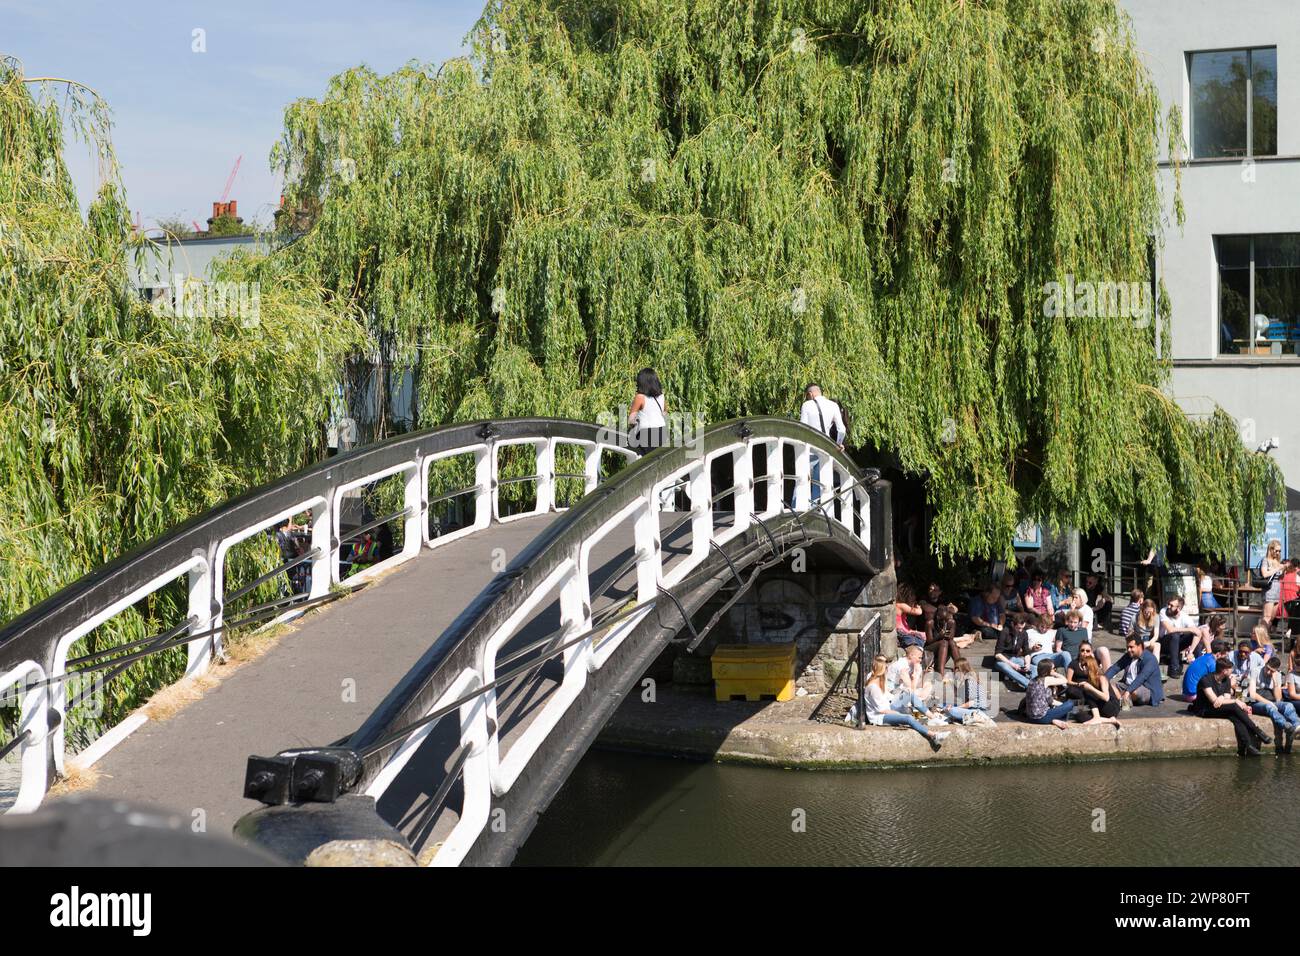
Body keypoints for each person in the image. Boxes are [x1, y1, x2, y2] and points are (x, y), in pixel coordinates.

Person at [855, 655, 951, 751]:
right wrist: (898, 714)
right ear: (882, 670)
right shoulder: (873, 687)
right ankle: (934, 736)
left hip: (888, 706)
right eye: (886, 667)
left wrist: (902, 696)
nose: (888, 669)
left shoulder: (880, 680)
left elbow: (887, 696)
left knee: (909, 695)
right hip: (879, 716)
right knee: (908, 718)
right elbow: (881, 710)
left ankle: (932, 717)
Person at [1192, 657, 1271, 757]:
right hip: (1205, 709)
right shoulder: (1206, 680)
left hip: (1218, 708)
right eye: (1230, 670)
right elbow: (1214, 701)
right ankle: (1257, 731)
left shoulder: (1226, 680)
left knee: (1235, 717)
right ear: (1224, 671)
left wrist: (1223, 699)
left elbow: (1226, 699)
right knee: (1234, 706)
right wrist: (1235, 700)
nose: (1232, 672)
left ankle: (1248, 746)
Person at [798, 383, 845, 503]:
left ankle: (797, 510)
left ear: (810, 394)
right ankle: (816, 511)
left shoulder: (806, 405)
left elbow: (803, 428)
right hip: (826, 450)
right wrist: (838, 444)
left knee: (801, 482)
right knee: (820, 485)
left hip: (810, 450)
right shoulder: (833, 405)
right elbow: (841, 430)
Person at [1247, 656, 1298, 753]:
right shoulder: (1255, 671)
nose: (1268, 672)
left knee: (1288, 705)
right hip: (1256, 703)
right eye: (1267, 669)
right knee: (1269, 707)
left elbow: (1278, 699)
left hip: (1272, 700)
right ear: (1266, 664)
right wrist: (1269, 702)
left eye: (1272, 671)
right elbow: (1252, 694)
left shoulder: (1277, 675)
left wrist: (1275, 683)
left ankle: (1297, 726)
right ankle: (1286, 726)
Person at [1065, 641, 1122, 725]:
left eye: (1085, 666)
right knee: (1079, 715)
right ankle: (1107, 720)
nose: (1084, 668)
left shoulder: (1102, 677)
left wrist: (1090, 688)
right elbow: (1068, 681)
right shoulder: (1074, 664)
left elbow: (1106, 698)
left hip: (1111, 708)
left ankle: (1096, 717)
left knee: (1088, 691)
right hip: (1101, 708)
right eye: (1082, 650)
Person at [1106, 635, 1165, 709]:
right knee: (1108, 686)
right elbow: (1115, 668)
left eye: (1131, 647)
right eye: (1127, 647)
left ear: (1139, 646)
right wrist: (1103, 680)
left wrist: (1128, 691)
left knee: (1134, 691)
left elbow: (1141, 678)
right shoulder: (1128, 656)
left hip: (1147, 689)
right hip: (1126, 686)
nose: (1128, 650)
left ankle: (1120, 699)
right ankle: (1122, 699)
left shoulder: (1150, 659)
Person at [627, 367, 666, 455]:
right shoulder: (661, 396)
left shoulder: (640, 397)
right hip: (661, 431)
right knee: (657, 459)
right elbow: (664, 412)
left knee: (644, 462)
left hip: (647, 433)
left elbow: (631, 420)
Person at [1158, 595, 1199, 680]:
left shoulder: (1185, 617)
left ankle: (1197, 665)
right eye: (1168, 604)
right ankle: (1174, 668)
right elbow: (1170, 629)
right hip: (1163, 643)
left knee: (1193, 635)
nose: (1168, 606)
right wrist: (1188, 629)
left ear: (1179, 608)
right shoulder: (1163, 611)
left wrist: (1191, 651)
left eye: (1172, 605)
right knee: (1175, 634)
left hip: (1176, 644)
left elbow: (1198, 633)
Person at [1024, 659, 1074, 728]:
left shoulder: (1033, 680)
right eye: (1053, 668)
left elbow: (1050, 701)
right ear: (1048, 670)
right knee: (1070, 704)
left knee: (1063, 707)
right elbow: (1064, 680)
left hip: (1030, 717)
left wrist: (1061, 705)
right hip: (1041, 717)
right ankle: (1053, 719)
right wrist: (1054, 673)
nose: (1055, 670)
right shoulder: (1046, 679)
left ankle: (1053, 720)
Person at [944, 658, 994, 725]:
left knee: (951, 710)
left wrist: (956, 708)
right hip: (972, 709)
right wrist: (951, 682)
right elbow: (957, 695)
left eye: (955, 668)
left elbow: (971, 702)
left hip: (979, 711)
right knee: (944, 706)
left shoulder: (970, 680)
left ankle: (980, 717)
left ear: (961, 669)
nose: (954, 670)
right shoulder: (966, 680)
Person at [1182, 639, 1232, 703]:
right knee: (1226, 690)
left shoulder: (1207, 656)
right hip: (1193, 695)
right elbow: (1216, 682)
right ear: (1218, 654)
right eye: (1225, 656)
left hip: (1187, 693)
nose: (1226, 658)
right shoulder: (1212, 663)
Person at [993, 614, 1036, 689]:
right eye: (1018, 628)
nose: (1020, 630)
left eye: (1022, 628)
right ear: (1012, 624)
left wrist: (1028, 663)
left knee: (1035, 668)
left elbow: (1026, 652)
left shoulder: (1024, 633)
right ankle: (1030, 686)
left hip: (1015, 658)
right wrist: (1012, 665)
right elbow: (997, 654)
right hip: (1002, 660)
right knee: (1007, 667)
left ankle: (1034, 683)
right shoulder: (1005, 632)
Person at [925, 604, 966, 678]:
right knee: (944, 642)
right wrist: (939, 636)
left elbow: (951, 638)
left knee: (952, 642)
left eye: (945, 619)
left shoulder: (951, 622)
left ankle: (959, 667)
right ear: (937, 616)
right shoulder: (930, 623)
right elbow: (929, 641)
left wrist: (947, 634)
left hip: (944, 648)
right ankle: (940, 672)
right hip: (930, 649)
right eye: (940, 619)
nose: (943, 621)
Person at [1259, 539, 1285, 631]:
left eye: (1279, 551)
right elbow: (1265, 574)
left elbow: (1280, 577)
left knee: (1272, 618)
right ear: (1271, 549)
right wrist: (1277, 568)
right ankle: (1260, 638)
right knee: (1267, 617)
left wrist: (1284, 569)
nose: (1278, 553)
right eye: (1276, 550)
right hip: (1269, 591)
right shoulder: (1266, 560)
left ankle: (1265, 636)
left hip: (1277, 592)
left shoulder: (1277, 561)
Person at [894, 584, 927, 650]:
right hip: (901, 632)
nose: (914, 598)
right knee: (916, 641)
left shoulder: (898, 604)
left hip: (903, 631)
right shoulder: (900, 605)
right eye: (912, 596)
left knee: (922, 635)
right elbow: (918, 612)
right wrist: (918, 606)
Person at [1129, 599, 1161, 664]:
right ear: (1142, 610)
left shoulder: (1156, 617)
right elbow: (1130, 634)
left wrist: (1149, 642)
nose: (1148, 614)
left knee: (1157, 645)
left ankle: (1154, 666)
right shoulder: (1135, 617)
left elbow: (1156, 635)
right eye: (1146, 612)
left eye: (1150, 612)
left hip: (1149, 640)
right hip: (1138, 640)